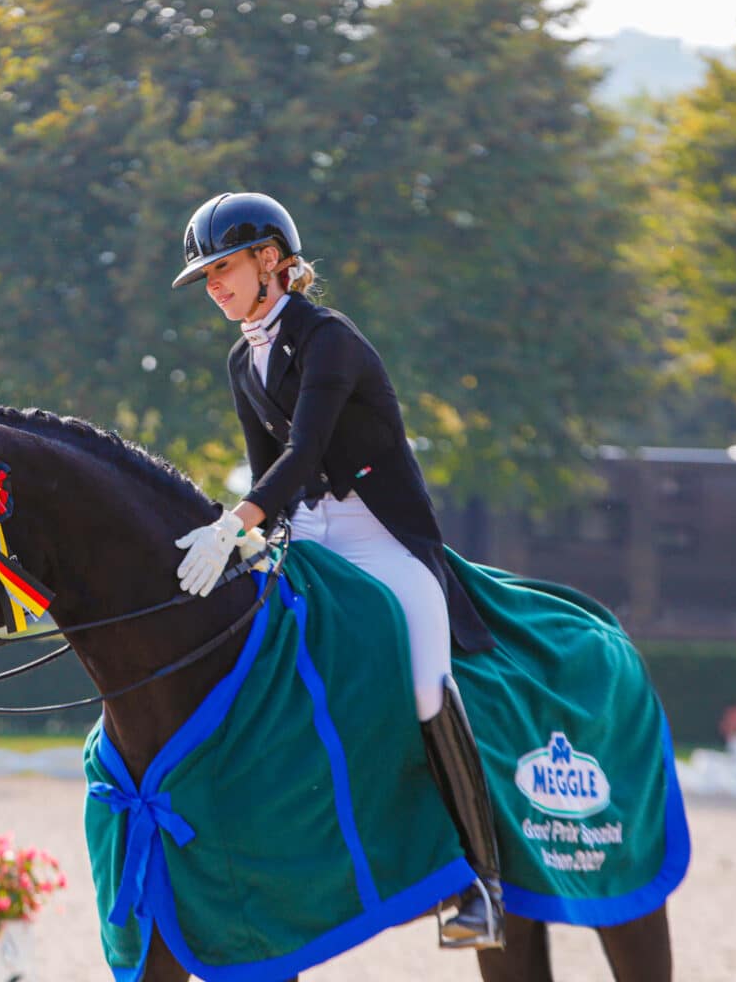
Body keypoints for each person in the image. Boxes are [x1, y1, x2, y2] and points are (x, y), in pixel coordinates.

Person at [170, 192, 505, 949]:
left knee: (425, 684)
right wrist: (248, 541)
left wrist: (233, 525)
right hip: (307, 538)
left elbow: (304, 454)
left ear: (270, 260)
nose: (215, 286)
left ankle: (482, 884)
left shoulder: (331, 341)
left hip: (383, 537)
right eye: (206, 275)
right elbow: (267, 472)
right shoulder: (241, 359)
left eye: (224, 268)